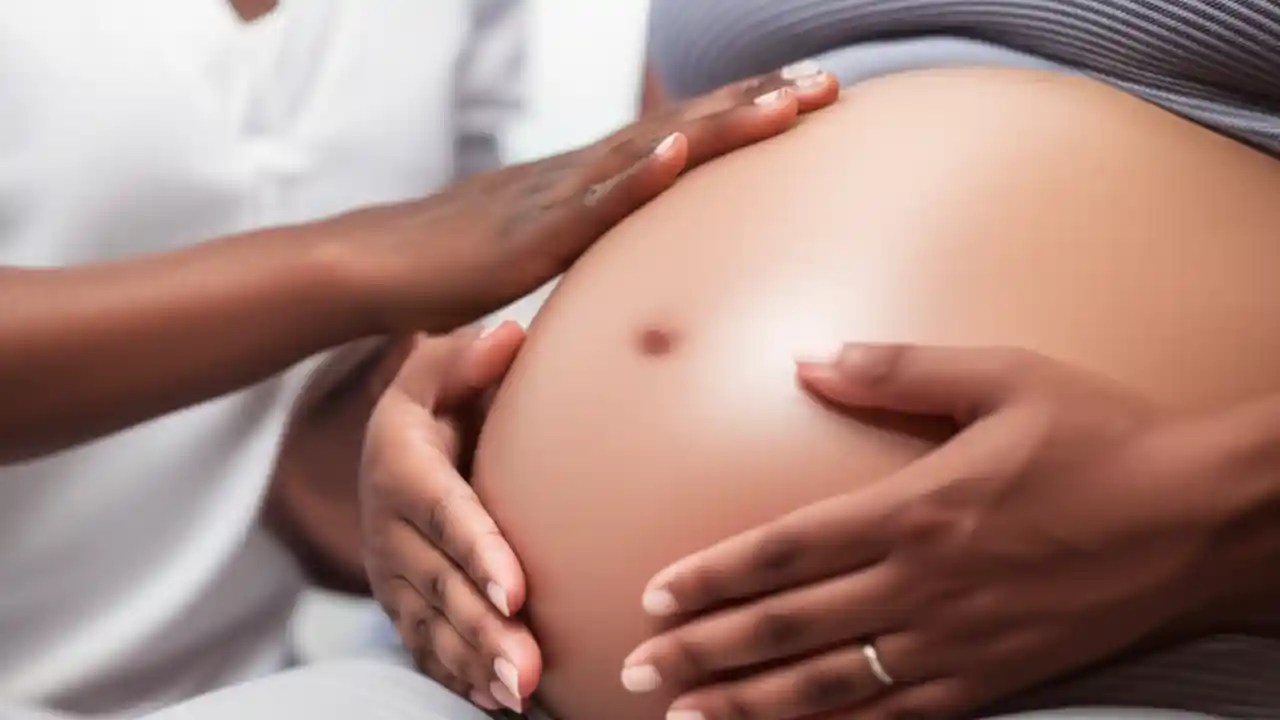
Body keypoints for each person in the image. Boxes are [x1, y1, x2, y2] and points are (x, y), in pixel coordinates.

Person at [360, 1, 1280, 719]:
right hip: (499, 688)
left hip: (1142, 666)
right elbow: (663, 158)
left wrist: (1217, 513)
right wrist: (467, 405)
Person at [0, 0, 836, 716]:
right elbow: (428, 251)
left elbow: (297, 449)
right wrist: (354, 262)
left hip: (245, 682)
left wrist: (456, 486)